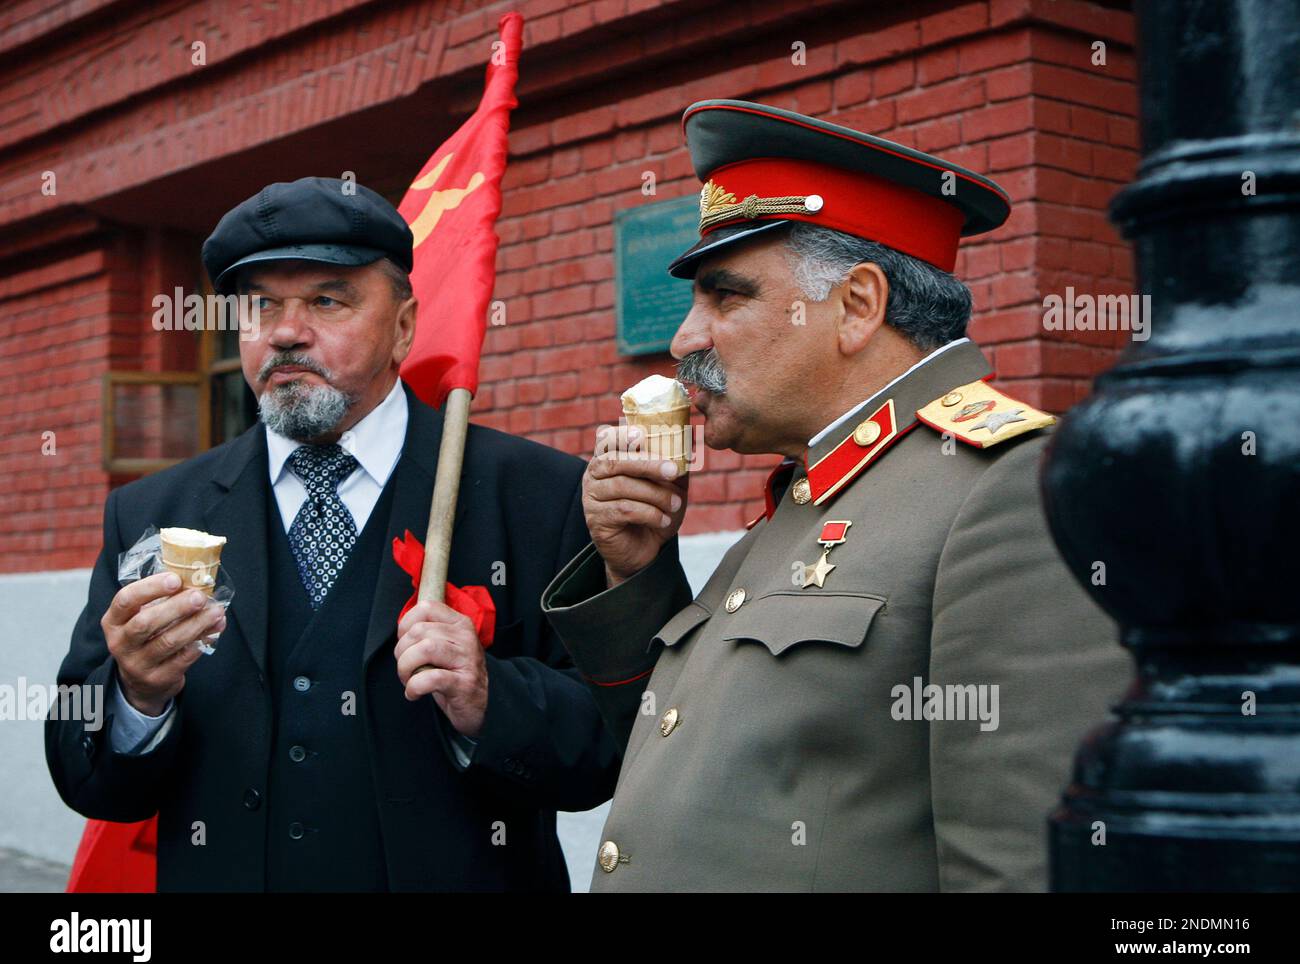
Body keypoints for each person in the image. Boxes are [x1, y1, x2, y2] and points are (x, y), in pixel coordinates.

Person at [541, 100, 1132, 891]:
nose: (684, 340)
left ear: (856, 307)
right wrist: (633, 573)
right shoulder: (812, 489)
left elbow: (1024, 867)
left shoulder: (1008, 486)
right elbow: (683, 750)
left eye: (726, 297)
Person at [46, 177, 618, 891]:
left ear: (404, 327)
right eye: (259, 306)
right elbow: (84, 773)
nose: (285, 330)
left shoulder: (538, 493)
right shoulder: (153, 512)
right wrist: (136, 696)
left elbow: (607, 744)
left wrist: (490, 700)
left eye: (326, 299)